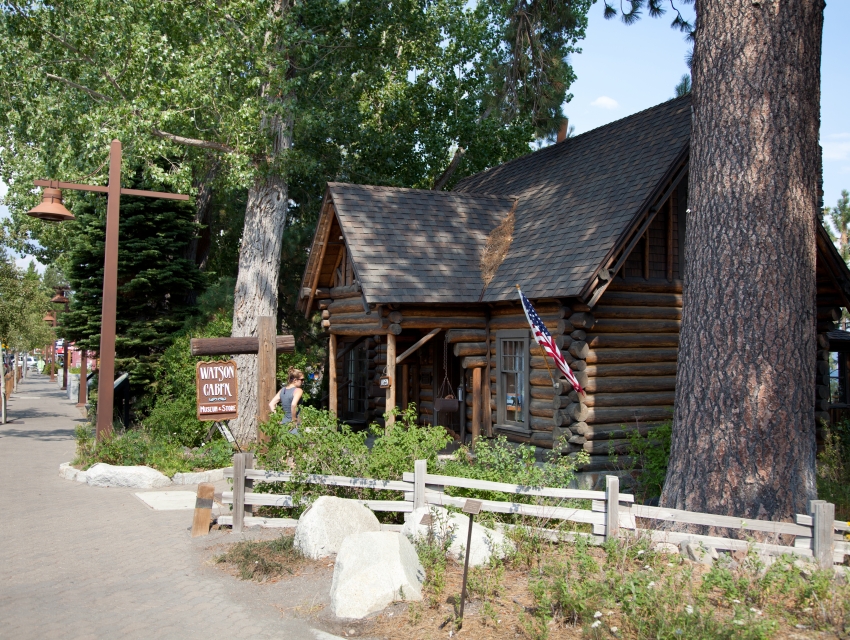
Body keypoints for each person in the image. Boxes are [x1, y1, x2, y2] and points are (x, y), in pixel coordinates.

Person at [268, 368, 304, 432]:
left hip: (283, 423)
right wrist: (293, 420)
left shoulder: (282, 390)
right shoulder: (298, 390)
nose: (303, 381)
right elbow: (293, 405)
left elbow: (271, 404)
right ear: (295, 380)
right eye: (302, 379)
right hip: (294, 425)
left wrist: (277, 418)